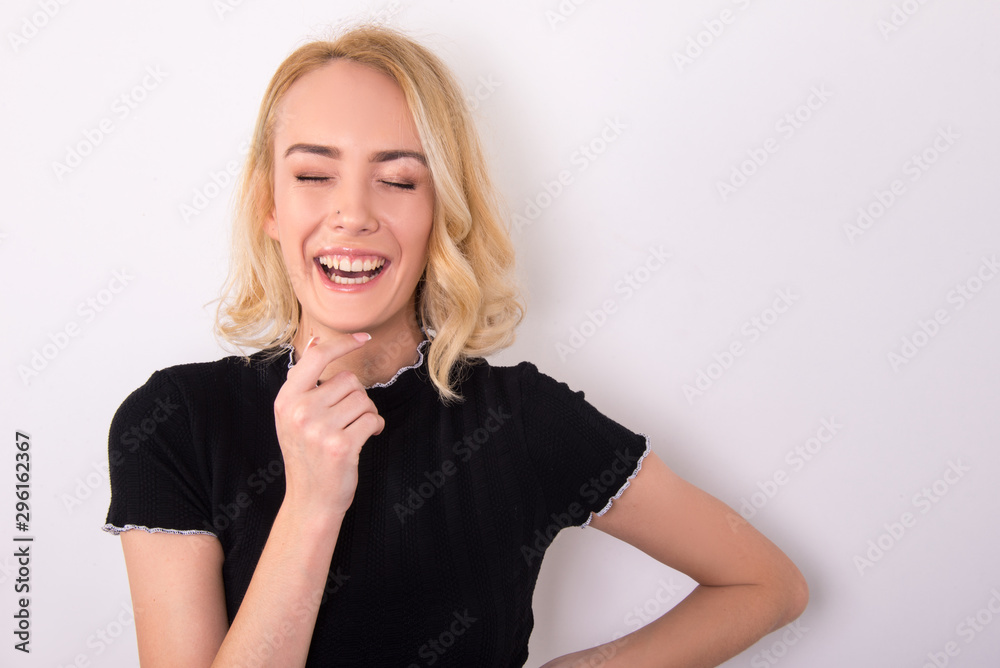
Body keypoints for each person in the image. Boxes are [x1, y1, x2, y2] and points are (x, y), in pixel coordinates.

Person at [103, 24, 808, 667]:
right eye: (314, 175)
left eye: (399, 180)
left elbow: (765, 584)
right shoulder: (174, 421)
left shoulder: (523, 419)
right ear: (270, 205)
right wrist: (313, 502)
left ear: (442, 208)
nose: (352, 212)